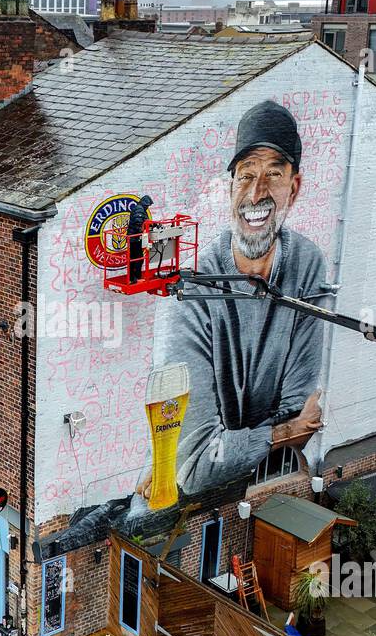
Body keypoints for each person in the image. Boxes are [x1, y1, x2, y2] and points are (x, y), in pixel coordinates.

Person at [138, 100, 327, 500]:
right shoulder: (188, 290)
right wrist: (284, 432)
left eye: (273, 174)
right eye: (246, 176)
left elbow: (300, 406)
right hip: (184, 501)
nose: (256, 193)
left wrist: (237, 442)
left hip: (269, 490)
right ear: (230, 187)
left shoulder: (308, 263)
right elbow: (195, 468)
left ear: (294, 188)